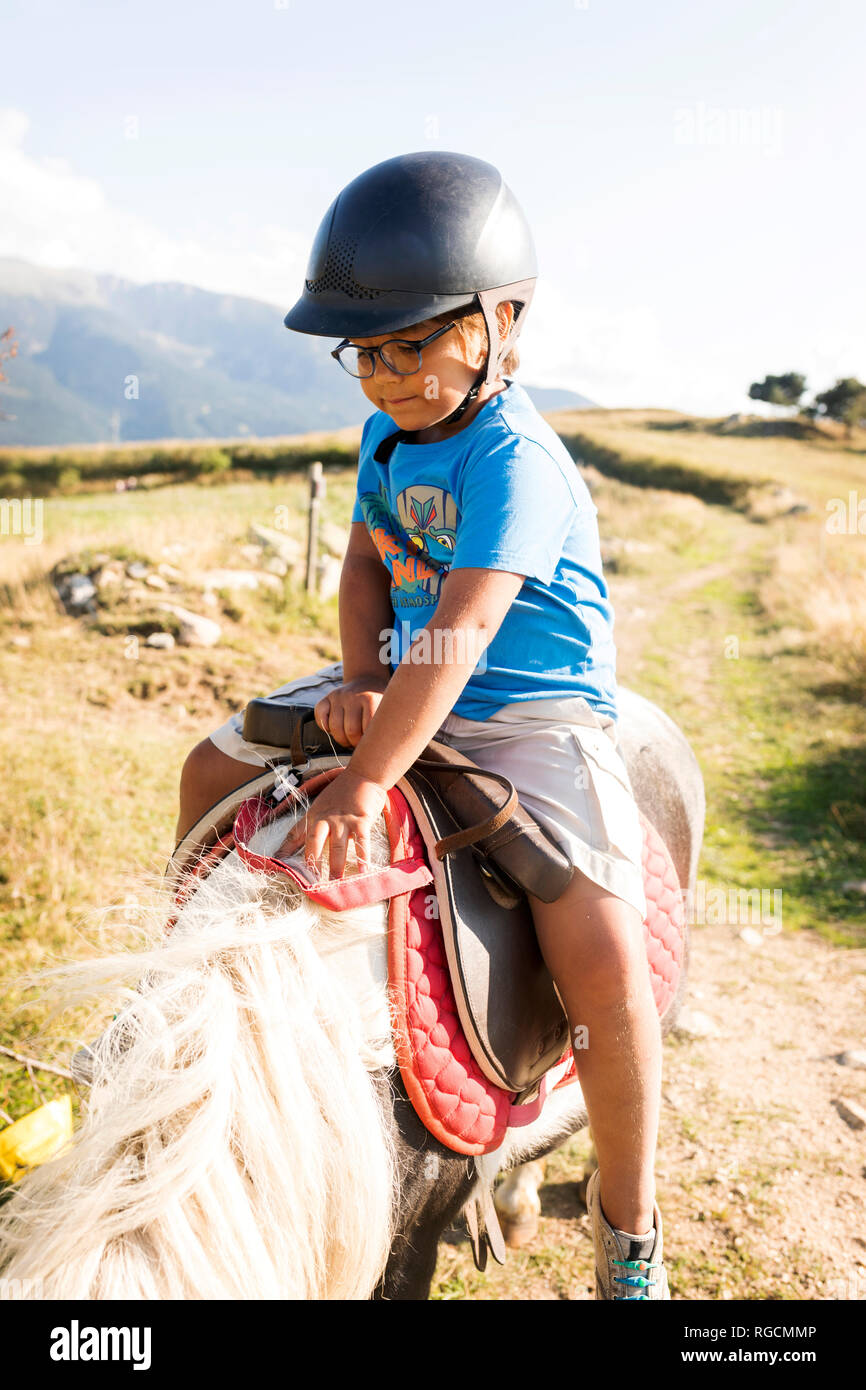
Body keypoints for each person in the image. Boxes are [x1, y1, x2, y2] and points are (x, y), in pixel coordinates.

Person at [176, 151, 668, 1301]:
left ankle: (628, 1220)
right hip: (403, 676)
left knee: (599, 950)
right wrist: (354, 681)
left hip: (522, 713)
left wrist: (361, 781)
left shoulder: (519, 461)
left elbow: (460, 629)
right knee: (212, 763)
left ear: (501, 319)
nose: (388, 377)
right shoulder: (388, 441)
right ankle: (189, 992)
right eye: (368, 353)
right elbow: (363, 564)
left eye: (413, 345)